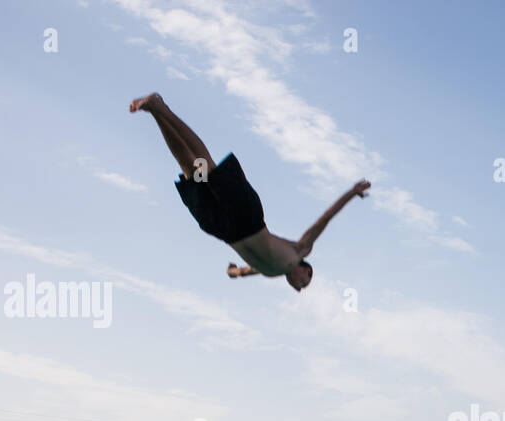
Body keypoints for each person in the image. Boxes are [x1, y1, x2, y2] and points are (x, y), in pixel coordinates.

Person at [129, 92, 369, 289]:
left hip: (222, 227)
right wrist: (352, 192)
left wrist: (233, 272)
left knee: (192, 172)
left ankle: (155, 113)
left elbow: (244, 271)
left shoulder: (270, 272)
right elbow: (324, 218)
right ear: (304, 268)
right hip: (246, 218)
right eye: (306, 282)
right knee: (206, 166)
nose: (300, 287)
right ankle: (163, 108)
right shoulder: (300, 250)